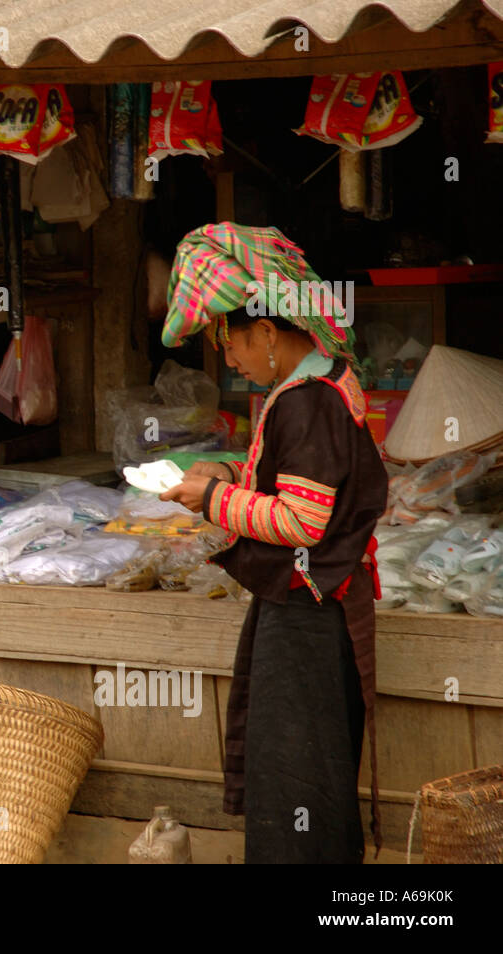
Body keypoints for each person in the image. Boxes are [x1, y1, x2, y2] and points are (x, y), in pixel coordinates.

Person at [157, 223, 387, 864]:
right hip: (315, 602)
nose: (229, 359)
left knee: (295, 772)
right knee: (307, 765)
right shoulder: (321, 379)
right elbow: (293, 481)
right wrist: (226, 473)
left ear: (265, 332)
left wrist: (208, 498)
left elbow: (301, 521)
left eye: (230, 344)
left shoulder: (306, 401)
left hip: (309, 611)